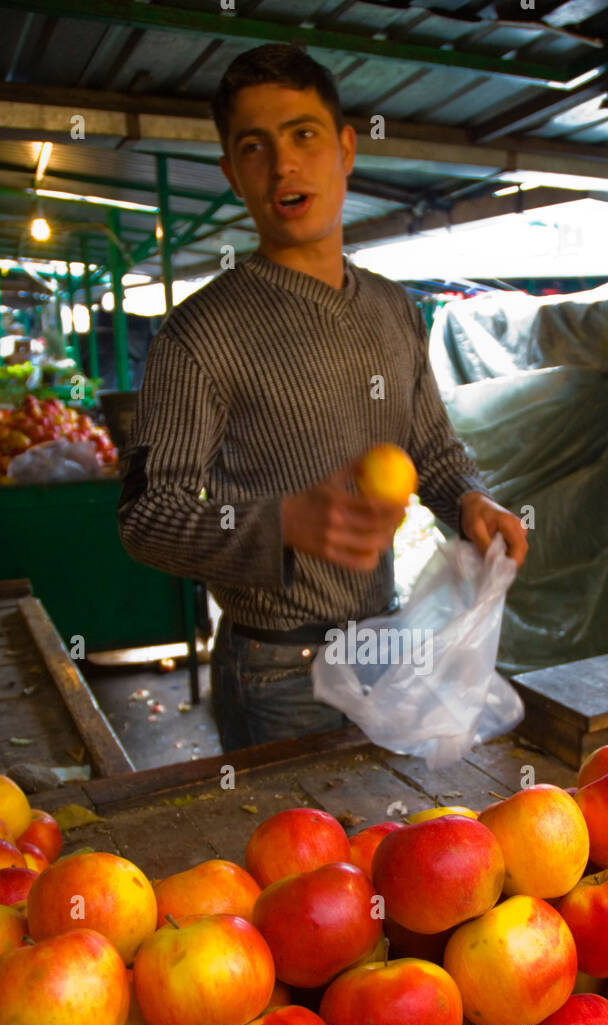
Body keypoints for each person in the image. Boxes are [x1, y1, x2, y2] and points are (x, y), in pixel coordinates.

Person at [119, 43, 528, 751]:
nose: (283, 166)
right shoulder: (197, 335)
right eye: (255, 147)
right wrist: (280, 523)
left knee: (381, 849)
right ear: (232, 175)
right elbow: (146, 516)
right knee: (292, 858)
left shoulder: (395, 310)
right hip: (274, 671)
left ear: (345, 148)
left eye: (303, 135)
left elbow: (432, 451)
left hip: (382, 647)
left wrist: (468, 500)